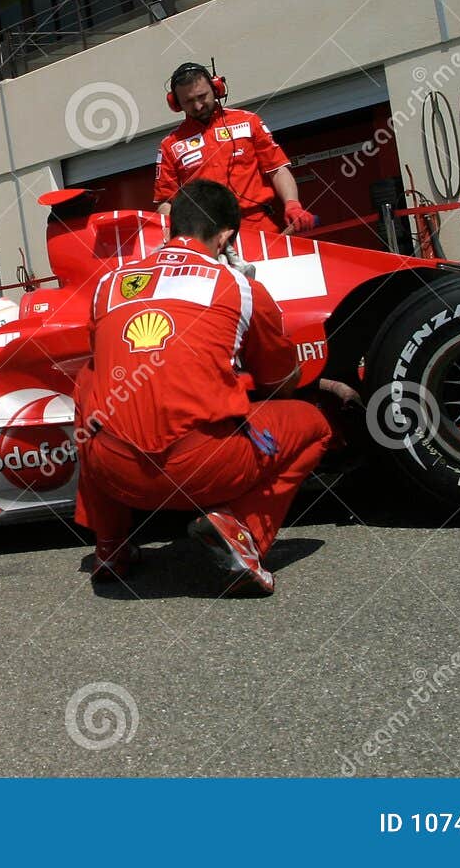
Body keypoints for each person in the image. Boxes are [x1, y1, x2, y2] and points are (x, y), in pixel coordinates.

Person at [74, 179, 334, 594]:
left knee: (90, 380)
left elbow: (108, 368)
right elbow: (281, 381)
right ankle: (243, 534)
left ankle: (110, 546)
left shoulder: (108, 285)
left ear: (169, 227)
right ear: (229, 235)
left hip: (114, 470)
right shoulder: (242, 286)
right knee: (313, 424)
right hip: (202, 467)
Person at [152, 61, 315, 235]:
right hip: (206, 236)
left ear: (216, 89)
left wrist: (292, 204)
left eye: (202, 96)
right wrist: (173, 231)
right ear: (176, 104)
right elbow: (166, 200)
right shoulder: (170, 145)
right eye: (189, 101)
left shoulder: (248, 122)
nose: (198, 106)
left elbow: (277, 169)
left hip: (258, 229)